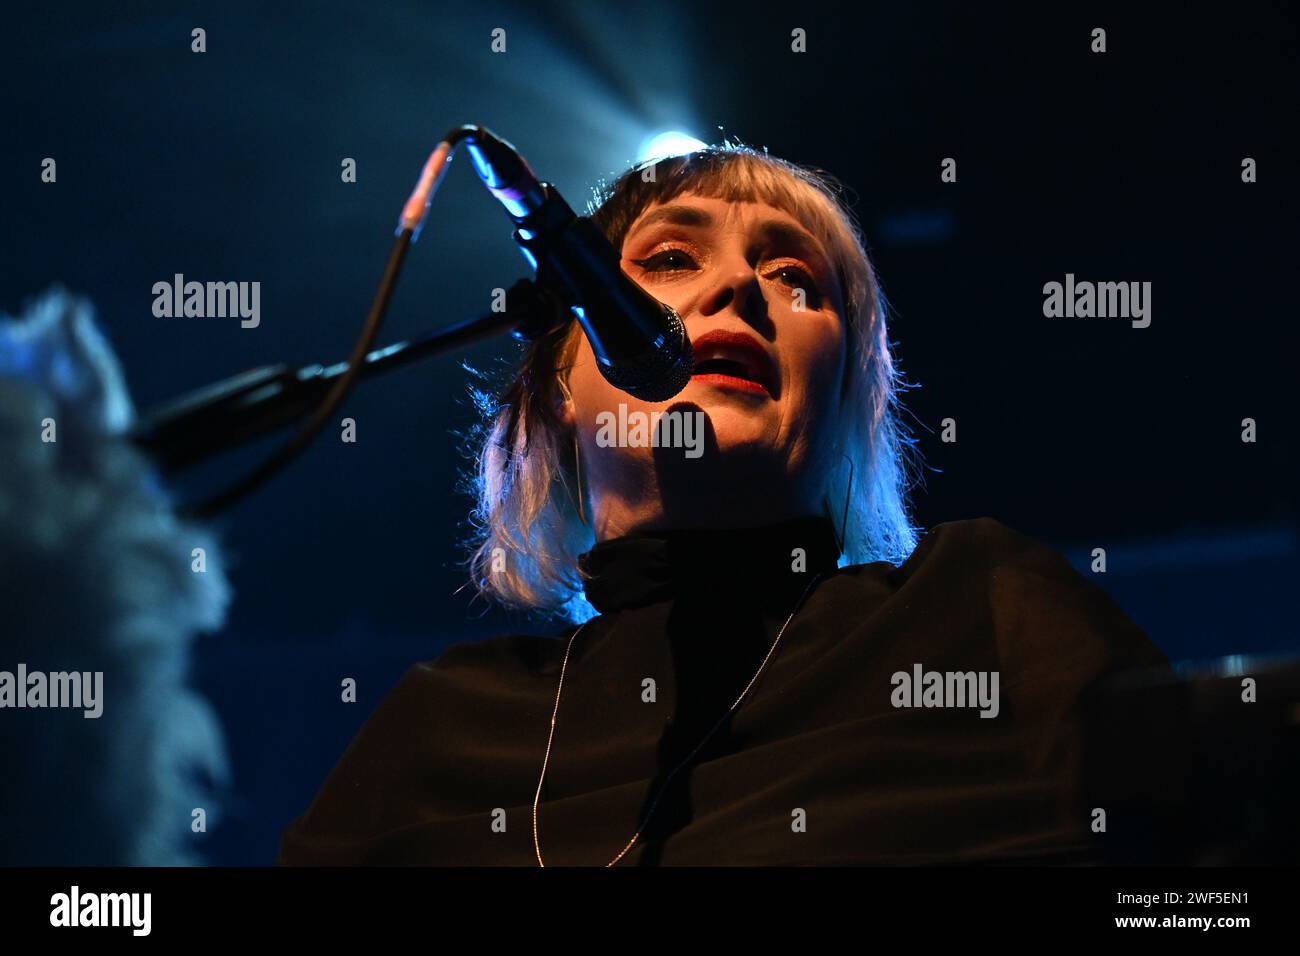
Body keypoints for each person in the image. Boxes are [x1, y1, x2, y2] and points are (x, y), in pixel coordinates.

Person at [277, 145, 1167, 866]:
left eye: (795, 278)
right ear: (558, 376)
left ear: (845, 394)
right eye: (669, 258)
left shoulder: (980, 607)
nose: (739, 287)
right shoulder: (442, 730)